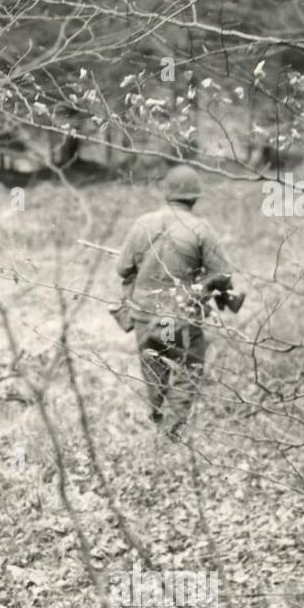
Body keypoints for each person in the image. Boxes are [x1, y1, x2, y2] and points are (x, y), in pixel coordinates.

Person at [116, 167, 235, 439]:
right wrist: (205, 283)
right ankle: (172, 432)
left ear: (167, 193)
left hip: (146, 317)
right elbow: (224, 276)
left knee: (155, 365)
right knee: (186, 366)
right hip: (175, 319)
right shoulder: (200, 229)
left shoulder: (142, 223)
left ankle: (160, 421)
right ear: (194, 198)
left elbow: (123, 268)